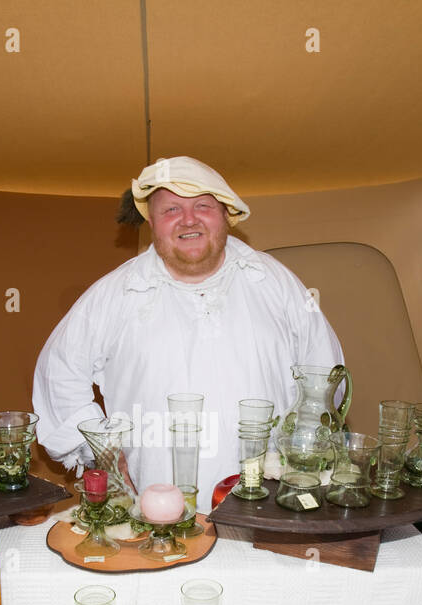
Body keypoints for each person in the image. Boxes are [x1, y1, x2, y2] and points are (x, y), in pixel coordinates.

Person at [32, 156, 345, 500]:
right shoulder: (113, 294)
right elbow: (58, 373)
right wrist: (103, 454)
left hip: (268, 502)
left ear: (226, 214)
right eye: (171, 210)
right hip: (153, 510)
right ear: (151, 222)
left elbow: (325, 372)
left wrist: (304, 457)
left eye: (202, 206)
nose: (188, 219)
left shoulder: (275, 282)